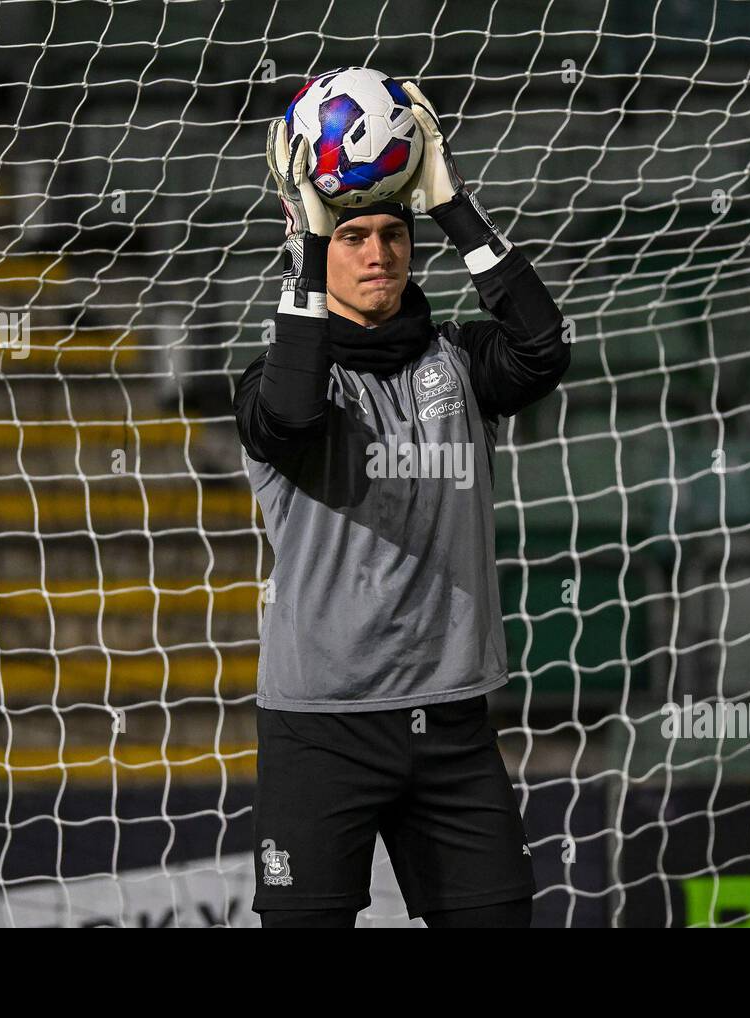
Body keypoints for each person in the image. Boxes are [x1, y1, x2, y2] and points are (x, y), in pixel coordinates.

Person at [233, 81, 570, 928]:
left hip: (452, 721)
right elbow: (294, 416)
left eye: (391, 234)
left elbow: (543, 347)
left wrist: (451, 206)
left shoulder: (459, 361)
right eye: (352, 237)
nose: (376, 252)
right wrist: (308, 246)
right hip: (321, 729)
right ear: (318, 246)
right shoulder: (273, 382)